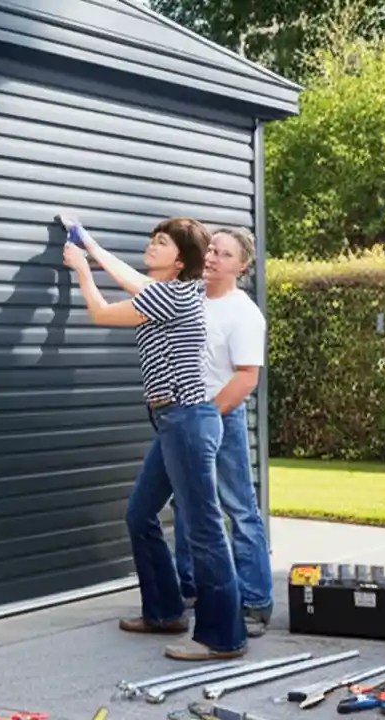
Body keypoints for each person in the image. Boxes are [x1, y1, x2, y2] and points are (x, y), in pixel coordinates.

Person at [58, 214, 246, 661]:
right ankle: (164, 612)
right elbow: (129, 279)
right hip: (172, 422)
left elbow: (103, 312)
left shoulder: (174, 295)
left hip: (187, 420)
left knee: (203, 530)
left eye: (161, 242)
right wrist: (88, 241)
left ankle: (223, 636)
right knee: (140, 514)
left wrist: (83, 268)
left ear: (179, 261)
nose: (151, 246)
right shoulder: (170, 291)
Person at [171, 227, 274, 636]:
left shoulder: (243, 313)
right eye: (211, 249)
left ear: (242, 266)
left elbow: (247, 378)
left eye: (224, 254)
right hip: (184, 415)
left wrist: (208, 418)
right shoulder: (190, 298)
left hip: (219, 417)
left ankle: (254, 602)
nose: (212, 257)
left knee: (238, 508)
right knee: (187, 505)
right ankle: (194, 589)